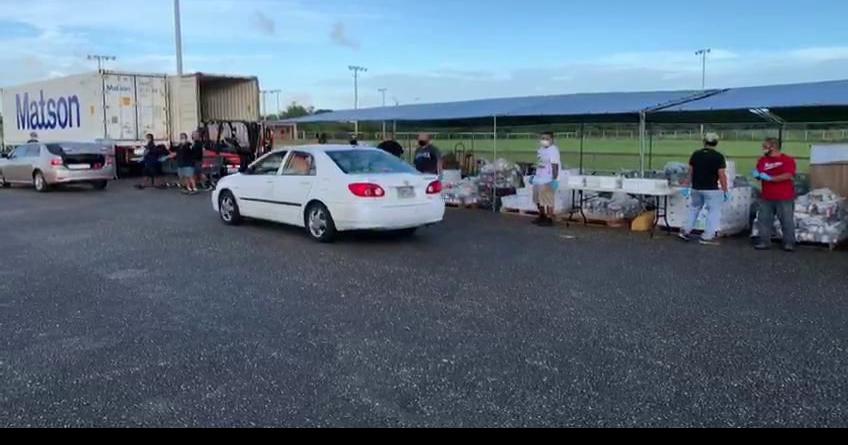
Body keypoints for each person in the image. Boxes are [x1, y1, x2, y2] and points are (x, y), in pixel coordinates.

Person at [679, 132, 729, 245]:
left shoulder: (696, 154)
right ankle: (707, 236)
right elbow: (722, 175)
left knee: (694, 209)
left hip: (696, 188)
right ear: (716, 143)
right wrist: (725, 190)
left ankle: (685, 230)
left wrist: (686, 185)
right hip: (711, 189)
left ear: (704, 142)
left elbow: (690, 172)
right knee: (713, 212)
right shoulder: (719, 156)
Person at [753, 138, 797, 252]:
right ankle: (764, 241)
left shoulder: (787, 160)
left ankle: (789, 243)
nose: (763, 148)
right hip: (767, 196)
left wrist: (771, 178)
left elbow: (788, 175)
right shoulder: (763, 160)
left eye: (765, 146)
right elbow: (759, 172)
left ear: (773, 147)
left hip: (784, 196)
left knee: (787, 220)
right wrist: (757, 174)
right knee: (763, 220)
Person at [530, 132, 561, 227]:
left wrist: (554, 179)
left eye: (546, 138)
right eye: (542, 138)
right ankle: (541, 216)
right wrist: (534, 175)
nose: (544, 140)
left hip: (548, 178)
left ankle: (549, 218)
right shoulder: (541, 150)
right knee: (538, 199)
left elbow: (555, 165)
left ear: (551, 140)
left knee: (547, 199)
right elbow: (539, 163)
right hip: (539, 178)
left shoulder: (553, 150)